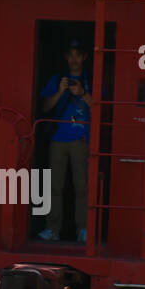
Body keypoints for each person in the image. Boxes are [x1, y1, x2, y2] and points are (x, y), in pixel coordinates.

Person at [38, 39, 92, 243]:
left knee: (82, 186)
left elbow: (101, 106)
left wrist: (82, 92)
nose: (74, 59)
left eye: (78, 54)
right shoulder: (57, 79)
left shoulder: (91, 79)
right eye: (71, 55)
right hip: (58, 139)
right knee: (54, 186)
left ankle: (84, 229)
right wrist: (61, 91)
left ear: (84, 57)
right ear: (66, 58)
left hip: (81, 138)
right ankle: (52, 229)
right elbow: (44, 107)